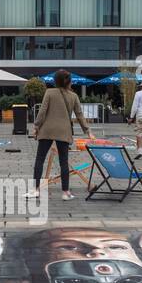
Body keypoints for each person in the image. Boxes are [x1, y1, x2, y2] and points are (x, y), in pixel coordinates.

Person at [27, 69, 94, 202]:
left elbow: (42, 111)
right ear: (69, 81)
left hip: (47, 130)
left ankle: (36, 190)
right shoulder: (73, 96)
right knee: (64, 162)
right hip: (64, 131)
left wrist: (36, 126)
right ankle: (65, 192)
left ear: (55, 81)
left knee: (40, 159)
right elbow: (79, 115)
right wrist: (88, 131)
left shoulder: (49, 92)